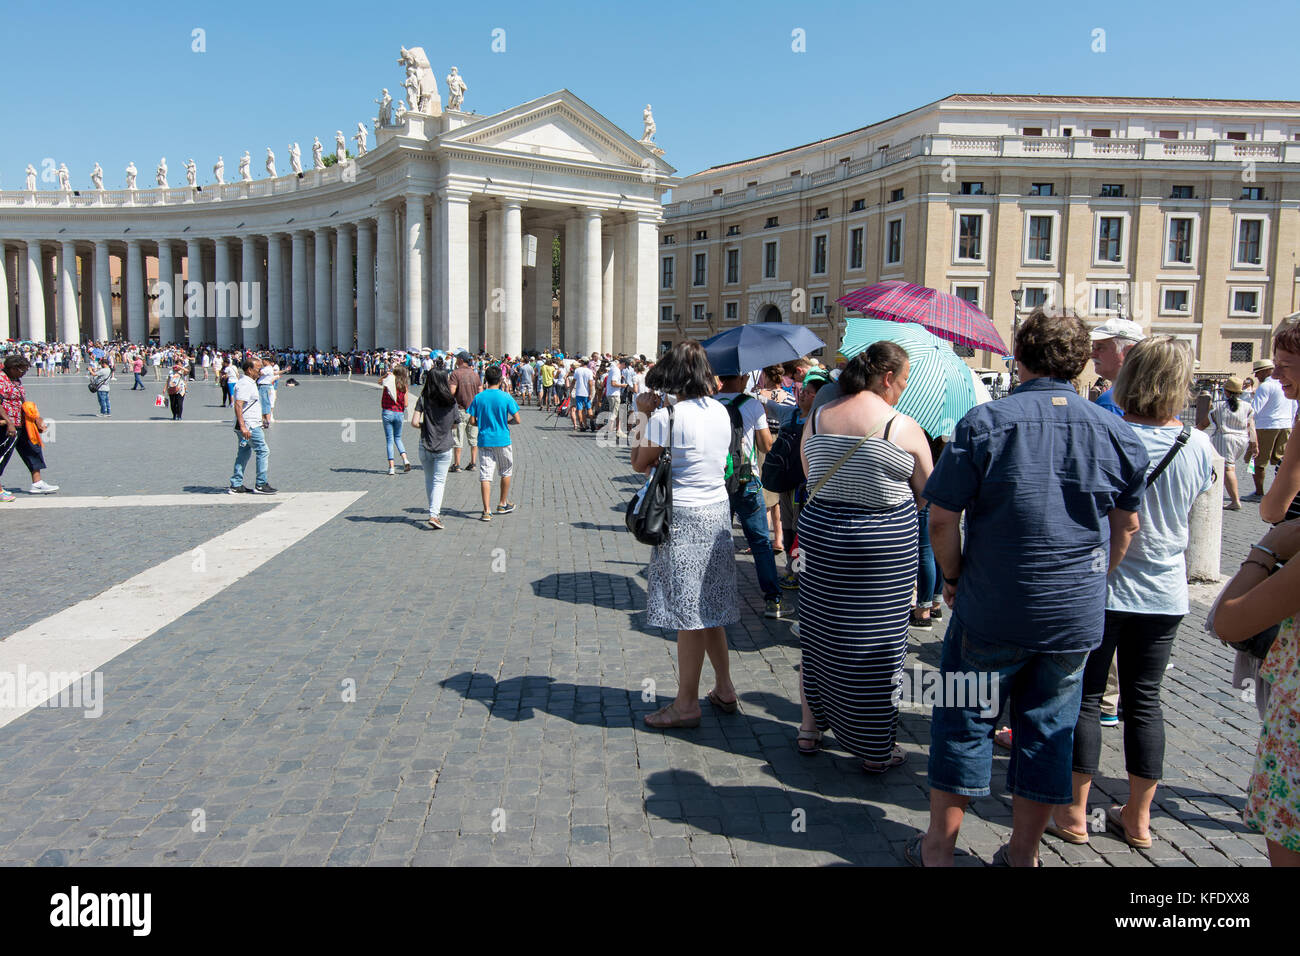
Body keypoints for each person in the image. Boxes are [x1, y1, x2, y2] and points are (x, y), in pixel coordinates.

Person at [912, 308, 1148, 867]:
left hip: (992, 604)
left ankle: (939, 850)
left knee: (963, 718)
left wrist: (951, 576)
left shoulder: (985, 423)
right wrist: (1094, 580)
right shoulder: (1117, 431)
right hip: (1070, 614)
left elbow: (941, 518)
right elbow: (1127, 528)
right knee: (1047, 731)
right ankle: (1022, 855)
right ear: (1080, 362)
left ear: (1019, 357)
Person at [1045, 336, 1215, 849]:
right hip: (1164, 592)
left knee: (1086, 698)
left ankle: (1074, 812)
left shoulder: (1105, 434)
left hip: (1101, 584)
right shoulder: (1199, 445)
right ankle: (1138, 818)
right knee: (1145, 701)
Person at [795, 344, 933, 771]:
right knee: (878, 641)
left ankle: (809, 727)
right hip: (881, 551)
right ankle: (875, 746)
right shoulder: (902, 427)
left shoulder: (819, 416)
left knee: (819, 632)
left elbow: (807, 470)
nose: (904, 389)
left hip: (821, 538)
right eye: (905, 380)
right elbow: (929, 492)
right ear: (887, 377)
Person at [632, 341, 741, 729]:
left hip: (683, 517)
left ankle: (686, 703)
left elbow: (639, 462)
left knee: (689, 615)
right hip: (716, 514)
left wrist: (643, 416)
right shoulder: (721, 411)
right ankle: (725, 687)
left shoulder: (666, 416)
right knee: (709, 606)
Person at [712, 372, 783, 619]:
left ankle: (714, 595)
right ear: (742, 378)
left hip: (717, 481)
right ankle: (773, 600)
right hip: (747, 479)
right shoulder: (752, 404)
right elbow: (766, 446)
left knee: (717, 542)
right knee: (761, 542)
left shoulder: (710, 402)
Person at [466, 365, 520, 521]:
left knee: (485, 475)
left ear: (486, 379)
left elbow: (472, 420)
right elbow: (517, 419)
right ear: (501, 379)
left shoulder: (479, 397)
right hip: (502, 439)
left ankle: (486, 510)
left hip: (484, 439)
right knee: (506, 471)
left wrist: (482, 423)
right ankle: (502, 503)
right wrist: (506, 422)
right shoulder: (506, 397)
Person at [1198, 376, 1256, 511]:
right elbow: (1251, 427)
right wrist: (1254, 444)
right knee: (1228, 467)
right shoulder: (1247, 407)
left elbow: (1204, 423)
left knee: (1228, 469)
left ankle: (1235, 500)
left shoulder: (1218, 406)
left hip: (1225, 439)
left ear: (1226, 391)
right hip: (1242, 440)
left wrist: (1192, 432)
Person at [1245, 358, 1297, 502]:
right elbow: (1294, 407)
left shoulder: (1265, 386)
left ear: (1266, 371)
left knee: (1258, 461)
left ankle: (1259, 492)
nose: (1256, 376)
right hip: (1285, 425)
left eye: (1258, 372)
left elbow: (1254, 410)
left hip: (1266, 426)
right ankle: (1281, 491)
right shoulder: (1285, 384)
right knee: (1281, 461)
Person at [413, 368, 458, 529]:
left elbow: (413, 422)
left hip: (425, 444)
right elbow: (454, 424)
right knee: (439, 481)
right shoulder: (451, 401)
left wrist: (426, 427)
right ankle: (434, 514)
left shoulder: (423, 399)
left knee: (429, 479)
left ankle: (433, 511)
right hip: (444, 446)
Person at [229, 357, 275, 495]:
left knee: (243, 453)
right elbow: (238, 404)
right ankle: (261, 483)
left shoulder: (249, 382)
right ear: (249, 370)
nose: (260, 371)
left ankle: (236, 484)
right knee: (263, 450)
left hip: (248, 424)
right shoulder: (246, 384)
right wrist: (243, 426)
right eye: (257, 369)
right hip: (249, 426)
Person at [1090, 317, 1145, 416]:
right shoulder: (1161, 399)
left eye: (1100, 348)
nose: (1092, 355)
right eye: (1093, 348)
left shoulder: (1110, 401)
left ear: (1128, 352)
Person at [449, 351, 481, 472]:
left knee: (457, 438)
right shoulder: (475, 374)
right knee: (473, 439)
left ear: (461, 360)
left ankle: (457, 464)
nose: (456, 360)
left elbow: (452, 391)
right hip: (473, 411)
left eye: (457, 358)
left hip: (460, 409)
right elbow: (480, 392)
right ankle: (473, 463)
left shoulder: (455, 374)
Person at [381, 365, 413, 475]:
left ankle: (391, 468)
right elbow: (407, 404)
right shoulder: (404, 386)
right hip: (399, 413)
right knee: (398, 438)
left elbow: (379, 381)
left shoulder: (388, 384)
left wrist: (386, 375)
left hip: (387, 412)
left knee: (389, 440)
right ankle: (405, 459)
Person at [570, 359, 595, 432]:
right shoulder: (589, 371)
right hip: (586, 393)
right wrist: (590, 393)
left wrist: (571, 391)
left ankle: (581, 425)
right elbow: (590, 383)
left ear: (582, 362)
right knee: (589, 408)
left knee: (579, 410)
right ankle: (591, 420)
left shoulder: (577, 370)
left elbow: (573, 381)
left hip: (579, 392)